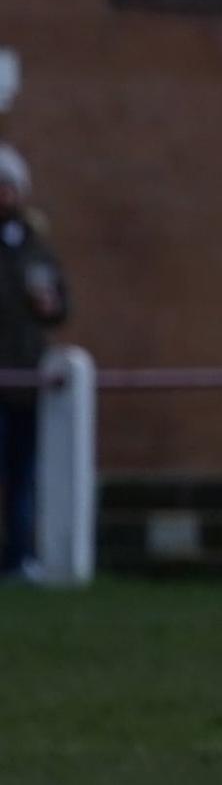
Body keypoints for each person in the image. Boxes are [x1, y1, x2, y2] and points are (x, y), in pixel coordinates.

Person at [0, 143, 67, 581]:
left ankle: (20, 556)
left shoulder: (37, 250)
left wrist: (51, 304)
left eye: (7, 186)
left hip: (25, 381)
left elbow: (61, 308)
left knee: (22, 476)